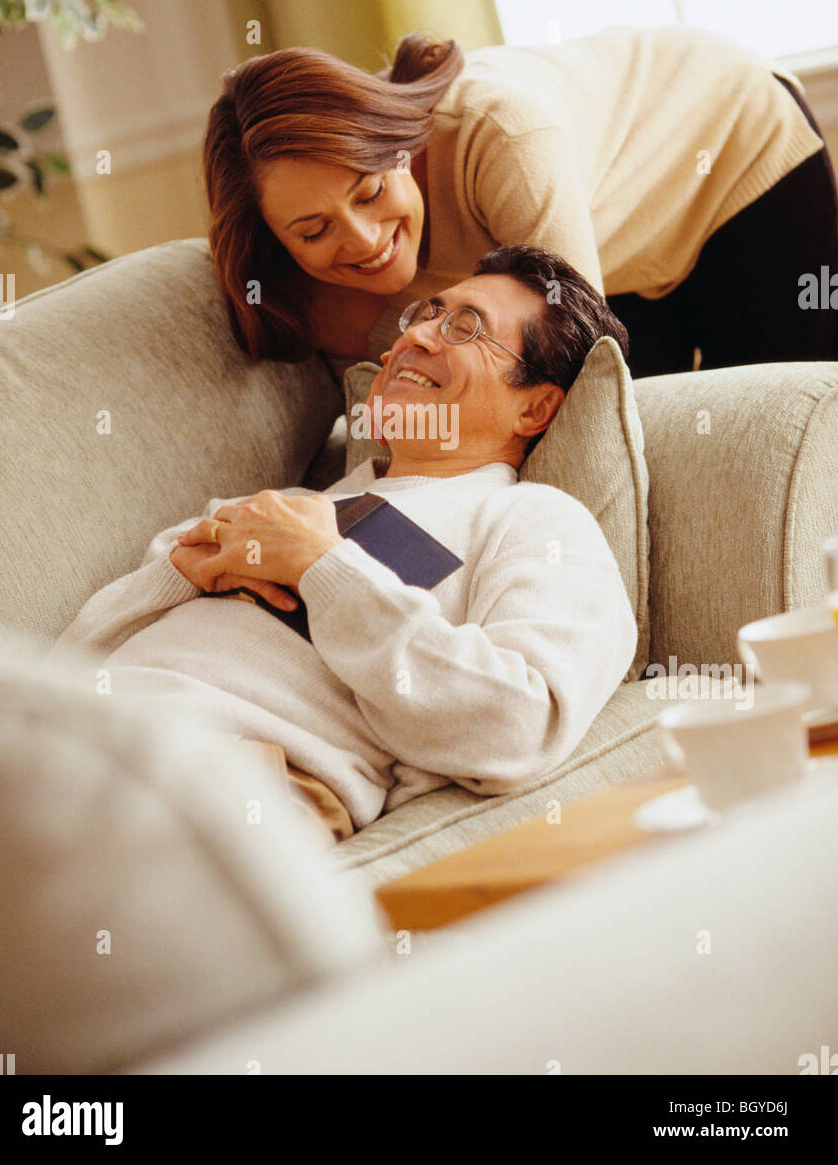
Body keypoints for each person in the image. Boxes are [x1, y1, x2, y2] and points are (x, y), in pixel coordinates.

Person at [49, 246, 637, 847]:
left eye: (466, 329)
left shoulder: (535, 521)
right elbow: (68, 659)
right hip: (66, 738)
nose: (421, 337)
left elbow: (522, 724)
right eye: (426, 315)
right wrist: (177, 573)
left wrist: (321, 566)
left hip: (224, 774)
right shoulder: (281, 505)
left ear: (535, 406)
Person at [203, 22, 838, 381]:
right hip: (607, 254)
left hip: (730, 147)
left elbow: (585, 373)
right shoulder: (312, 289)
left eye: (370, 191)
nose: (364, 239)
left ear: (392, 140)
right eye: (312, 231)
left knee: (775, 422)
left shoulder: (500, 134)